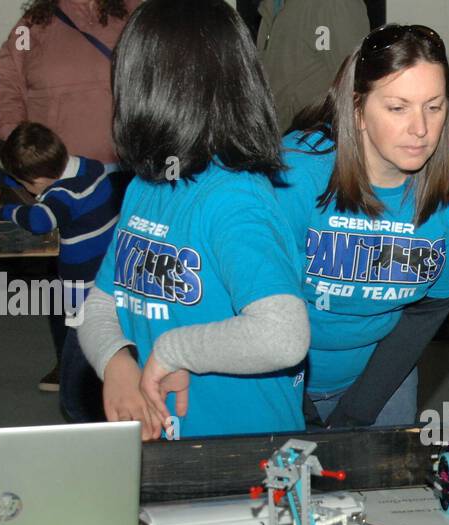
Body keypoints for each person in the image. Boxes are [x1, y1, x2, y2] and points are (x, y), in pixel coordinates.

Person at [75, 0, 308, 440]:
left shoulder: (234, 200)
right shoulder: (148, 185)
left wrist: (171, 350)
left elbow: (284, 335)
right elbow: (100, 304)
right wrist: (116, 362)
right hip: (169, 448)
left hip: (246, 458)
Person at [276, 23, 449, 429]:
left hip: (380, 373)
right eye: (398, 107)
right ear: (357, 111)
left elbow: (431, 308)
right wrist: (300, 409)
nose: (420, 129)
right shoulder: (296, 173)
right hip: (277, 373)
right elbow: (257, 303)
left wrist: (356, 412)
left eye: (434, 106)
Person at [0, 0, 142, 392]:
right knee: (66, 275)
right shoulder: (35, 24)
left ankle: (131, 356)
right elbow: (5, 80)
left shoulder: (136, 13)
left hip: (127, 174)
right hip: (58, 179)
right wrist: (17, 143)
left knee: (130, 271)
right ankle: (70, 359)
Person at [0, 122, 119, 423]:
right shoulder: (92, 168)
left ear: (35, 181)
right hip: (113, 283)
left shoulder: (63, 195)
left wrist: (1, 206)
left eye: (25, 184)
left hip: (87, 295)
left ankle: (92, 431)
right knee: (105, 360)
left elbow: (39, 221)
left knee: (75, 389)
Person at [255, 0, 372, 134]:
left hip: (316, 143)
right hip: (278, 139)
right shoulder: (273, 4)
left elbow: (354, 83)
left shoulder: (335, 4)